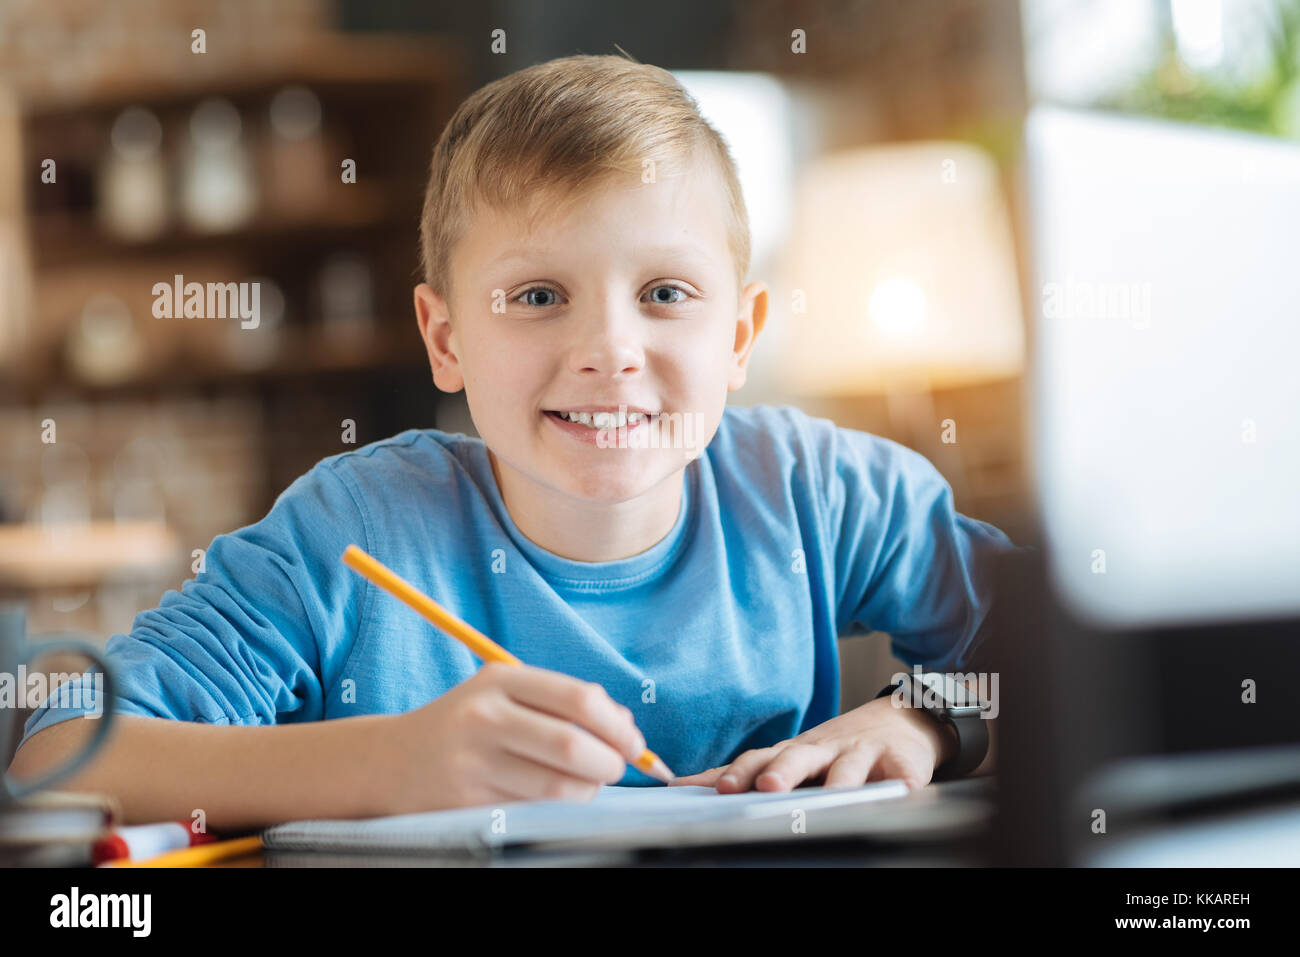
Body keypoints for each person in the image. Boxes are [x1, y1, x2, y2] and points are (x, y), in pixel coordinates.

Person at [9, 53, 1019, 829]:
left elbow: (1063, 657)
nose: (608, 352)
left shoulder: (822, 491)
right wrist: (388, 765)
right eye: (538, 296)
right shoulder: (351, 530)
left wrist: (929, 719)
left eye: (666, 294)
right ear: (445, 339)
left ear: (740, 335)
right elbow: (56, 754)